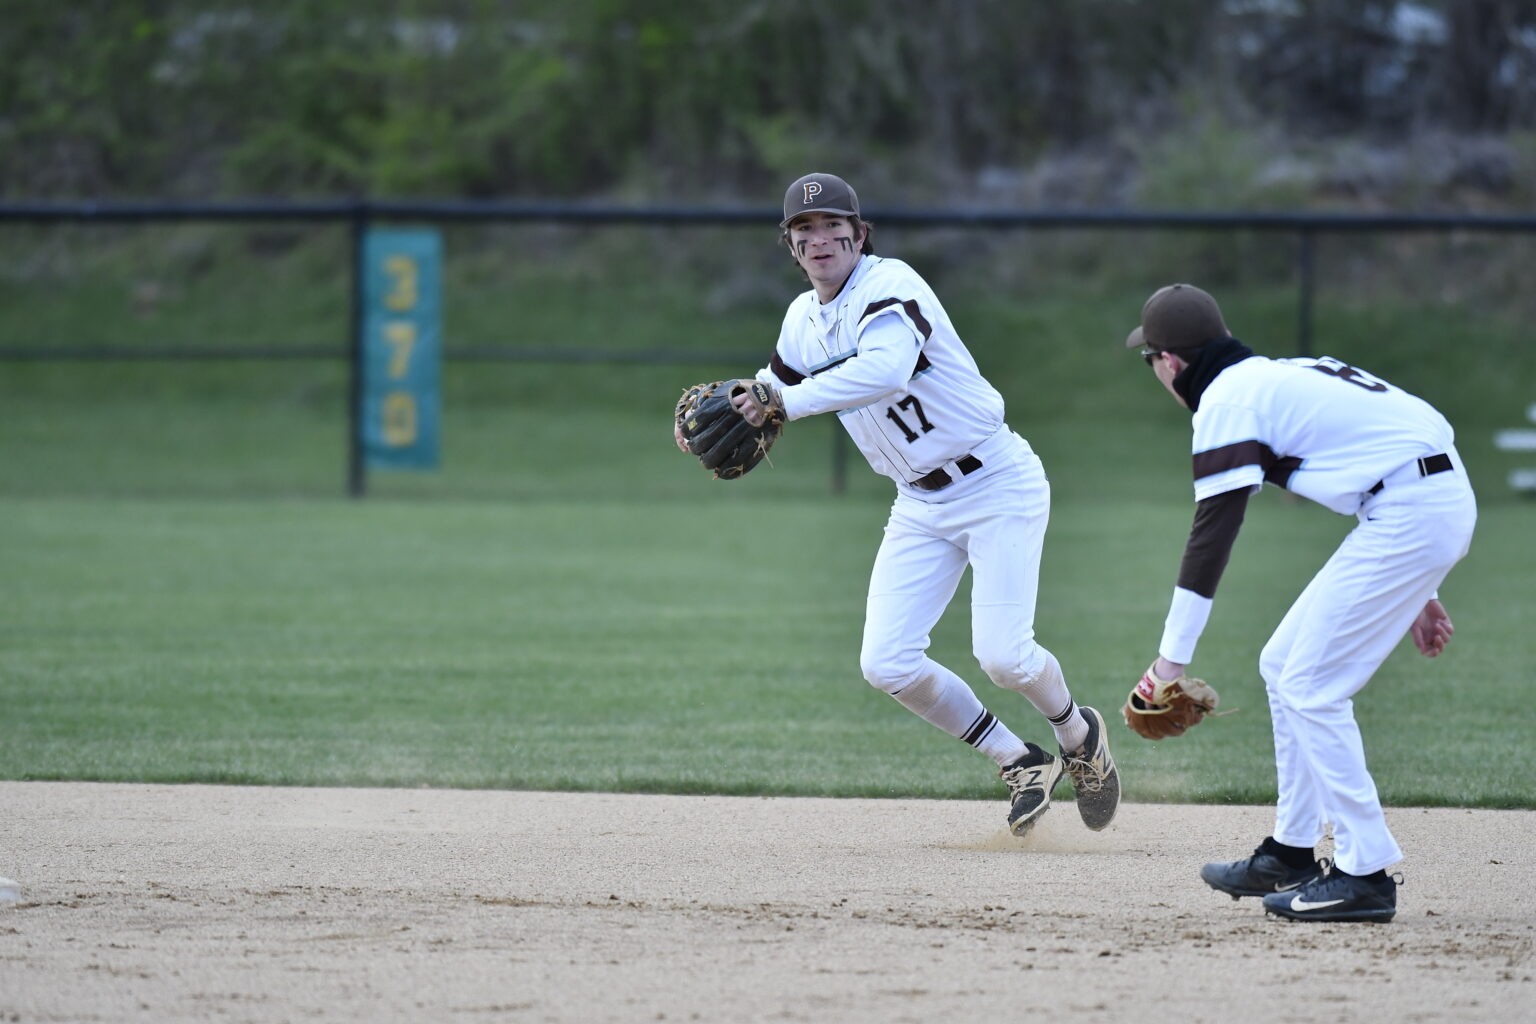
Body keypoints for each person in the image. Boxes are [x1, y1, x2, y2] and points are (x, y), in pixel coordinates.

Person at [677, 172, 1119, 837]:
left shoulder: (891, 286)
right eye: (805, 231)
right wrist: (738, 400)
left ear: (859, 234)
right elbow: (773, 384)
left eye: (832, 226)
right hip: (918, 501)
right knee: (886, 662)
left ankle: (1078, 736)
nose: (820, 239)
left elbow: (884, 369)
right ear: (790, 247)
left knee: (1005, 656)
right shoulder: (803, 319)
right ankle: (1019, 760)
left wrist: (783, 402)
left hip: (996, 482)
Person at [1125, 283, 1476, 923]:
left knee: (1312, 685)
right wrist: (1421, 588)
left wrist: (1167, 666)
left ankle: (1365, 872)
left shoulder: (1227, 400)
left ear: (1168, 362)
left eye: (1149, 360)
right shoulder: (1272, 377)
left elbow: (1212, 537)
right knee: (1281, 665)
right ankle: (1289, 851)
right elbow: (1400, 441)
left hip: (1411, 509)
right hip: (1418, 502)